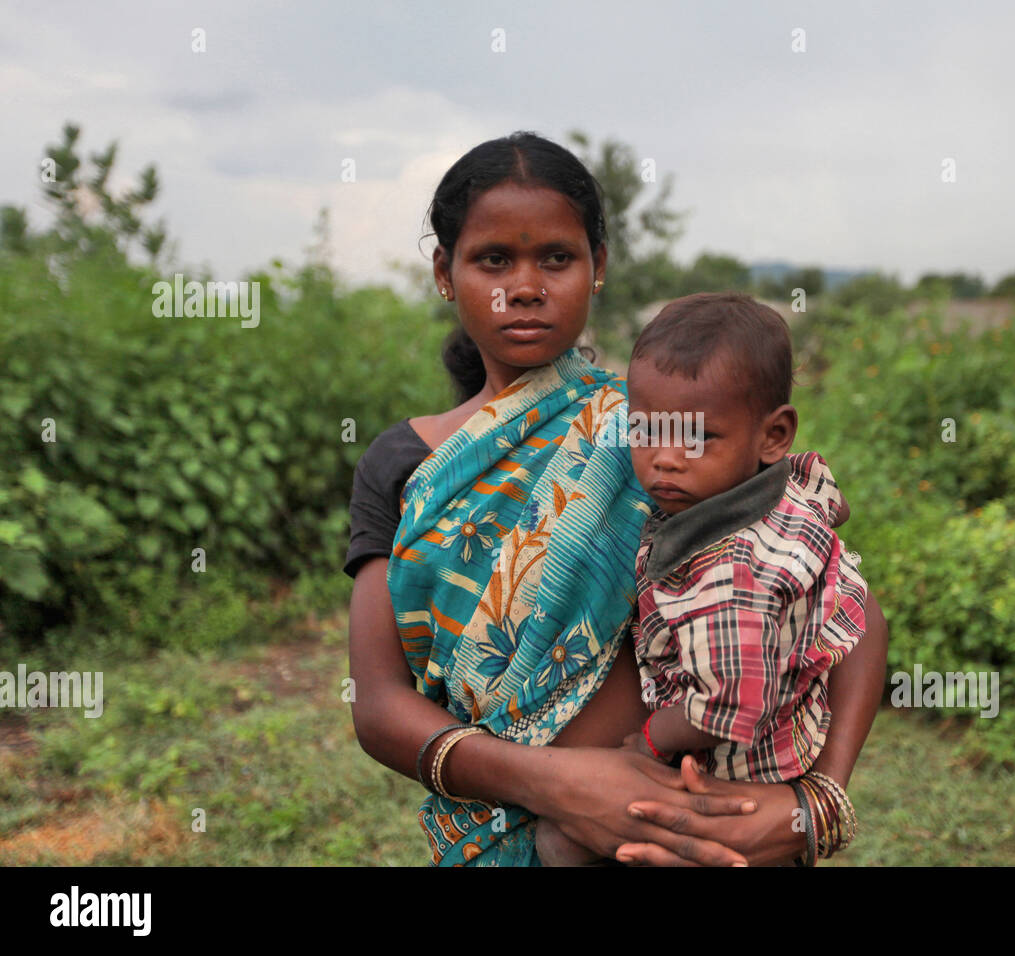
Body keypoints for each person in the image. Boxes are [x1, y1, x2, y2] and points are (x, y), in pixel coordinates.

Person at [344, 130, 890, 866]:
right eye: (494, 260)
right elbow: (379, 708)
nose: (527, 285)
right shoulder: (406, 464)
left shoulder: (668, 436)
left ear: (597, 266)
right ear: (446, 272)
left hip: (691, 825)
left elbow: (841, 608)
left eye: (558, 259)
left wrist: (813, 802)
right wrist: (558, 786)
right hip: (516, 829)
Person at [533, 293, 870, 866]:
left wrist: (650, 740)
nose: (664, 459)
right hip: (787, 748)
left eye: (696, 437)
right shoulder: (779, 495)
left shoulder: (730, 574)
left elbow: (727, 706)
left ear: (773, 434)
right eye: (646, 432)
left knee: (561, 841)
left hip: (738, 781)